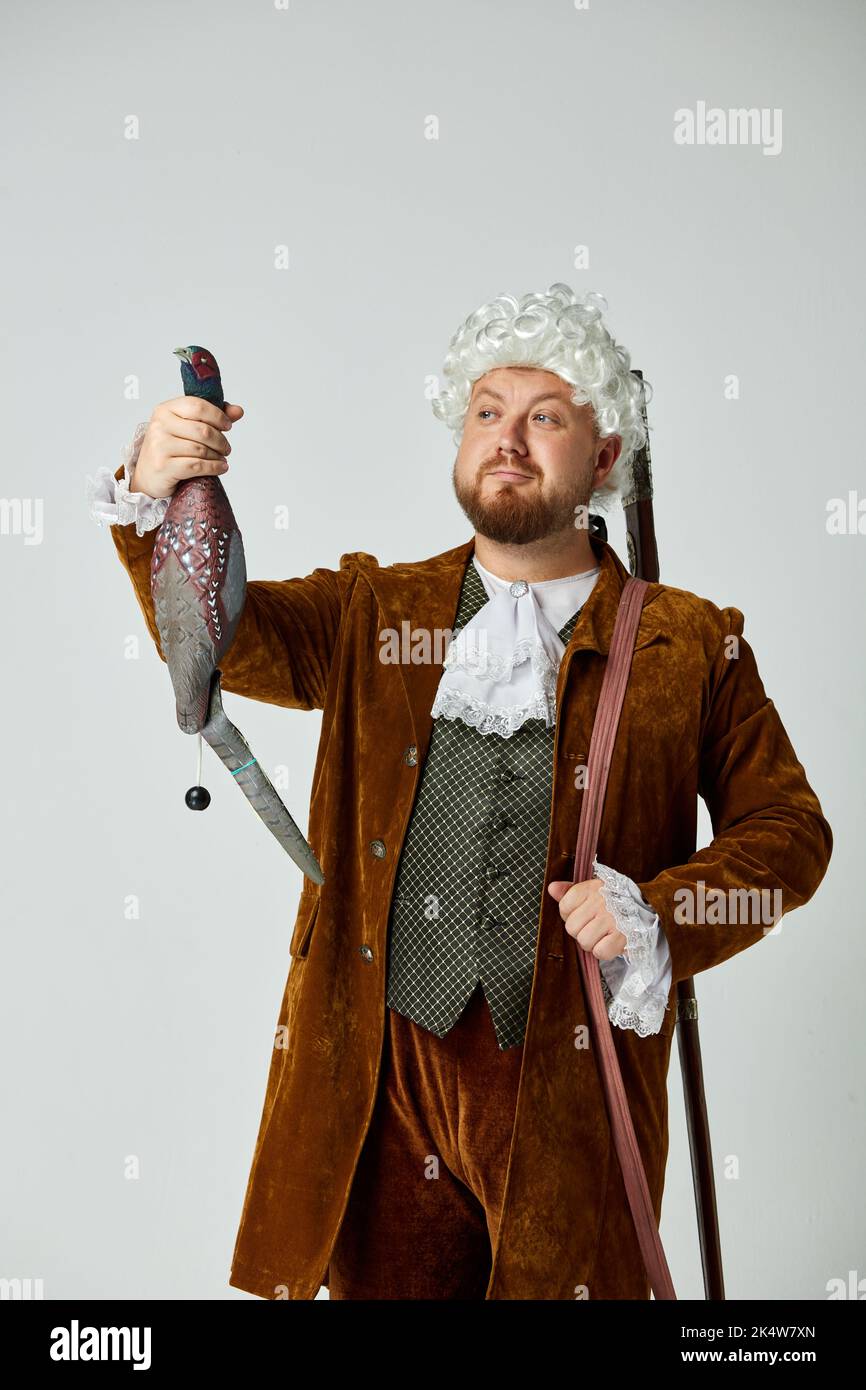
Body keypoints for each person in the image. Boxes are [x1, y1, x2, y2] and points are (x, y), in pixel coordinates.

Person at [86, 283, 832, 1299]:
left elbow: (788, 835)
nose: (507, 439)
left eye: (545, 416)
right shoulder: (370, 610)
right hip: (377, 1083)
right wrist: (158, 496)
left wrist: (657, 916)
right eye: (486, 412)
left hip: (568, 1088)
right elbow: (218, 638)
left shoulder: (691, 643)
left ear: (604, 459)